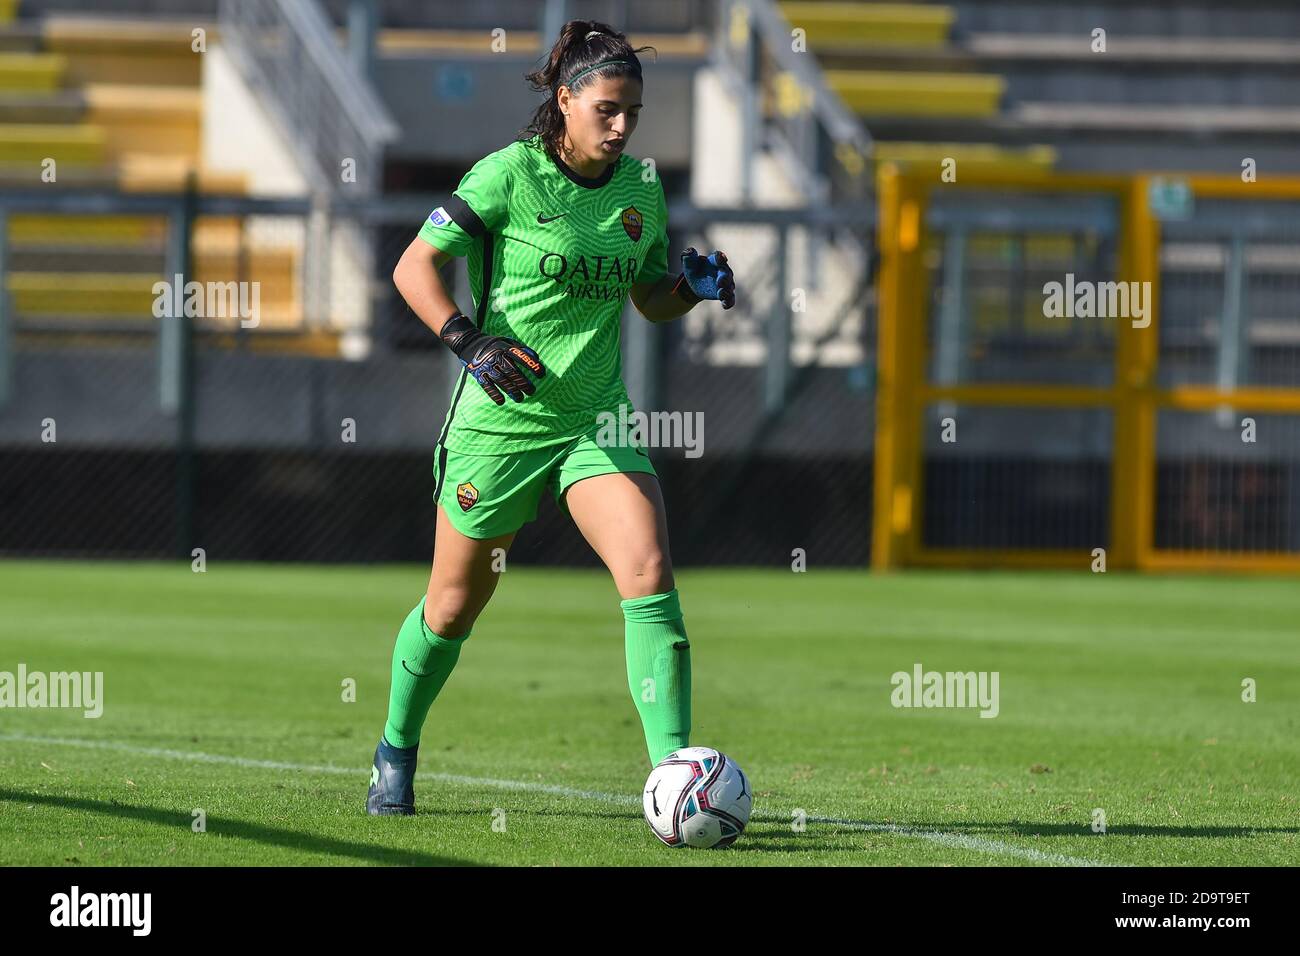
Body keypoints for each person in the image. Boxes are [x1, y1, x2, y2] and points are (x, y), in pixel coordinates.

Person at [369, 19, 736, 815]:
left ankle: (677, 782)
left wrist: (689, 289)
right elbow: (413, 266)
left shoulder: (640, 189)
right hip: (502, 421)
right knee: (451, 609)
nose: (622, 126)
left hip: (595, 418)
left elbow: (648, 298)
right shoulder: (508, 174)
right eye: (607, 109)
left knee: (649, 573)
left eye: (633, 112)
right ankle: (395, 747)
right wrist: (468, 341)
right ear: (565, 100)